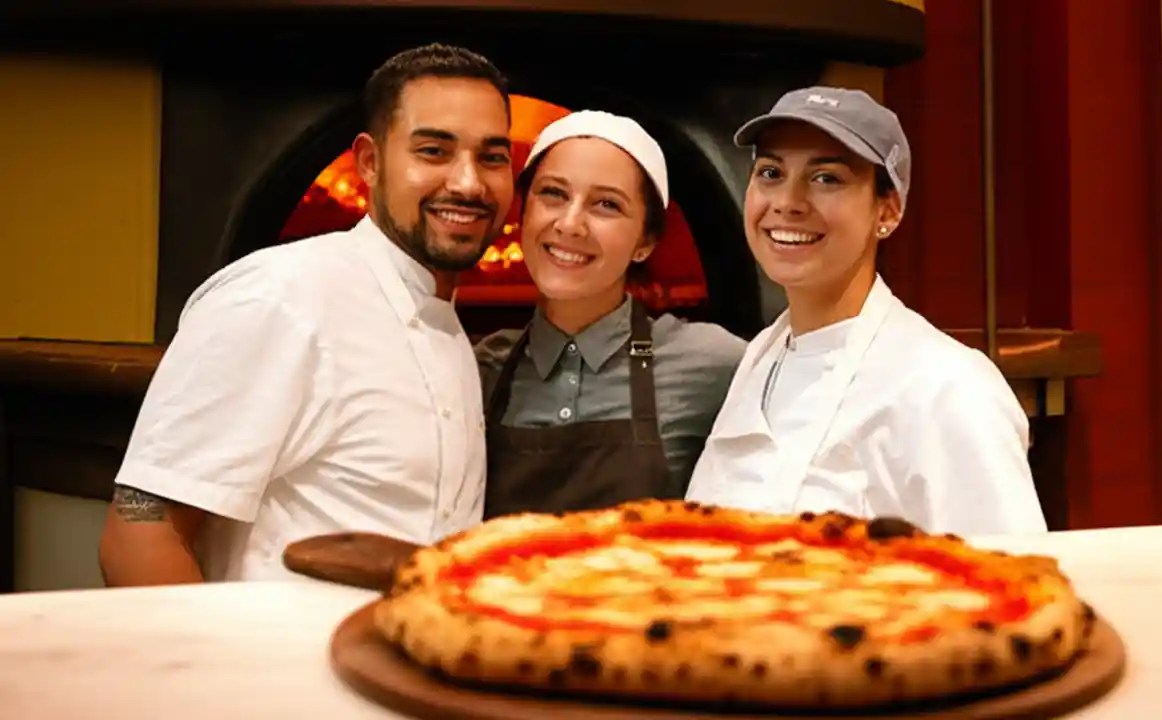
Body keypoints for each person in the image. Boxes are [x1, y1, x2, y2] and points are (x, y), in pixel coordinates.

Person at [98, 43, 515, 584]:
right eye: (433, 151)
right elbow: (140, 529)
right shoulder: (280, 296)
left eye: (492, 156)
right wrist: (215, 671)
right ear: (369, 161)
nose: (468, 183)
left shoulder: (446, 323)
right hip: (280, 665)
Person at [684, 87, 1047, 537]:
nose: (788, 201)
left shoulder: (947, 386)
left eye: (827, 178)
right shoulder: (763, 354)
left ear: (888, 210)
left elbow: (1009, 571)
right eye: (771, 172)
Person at [473, 110, 746, 518]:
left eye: (606, 204)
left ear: (646, 241)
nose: (570, 224)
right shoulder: (477, 372)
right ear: (523, 213)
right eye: (553, 194)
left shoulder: (714, 364)